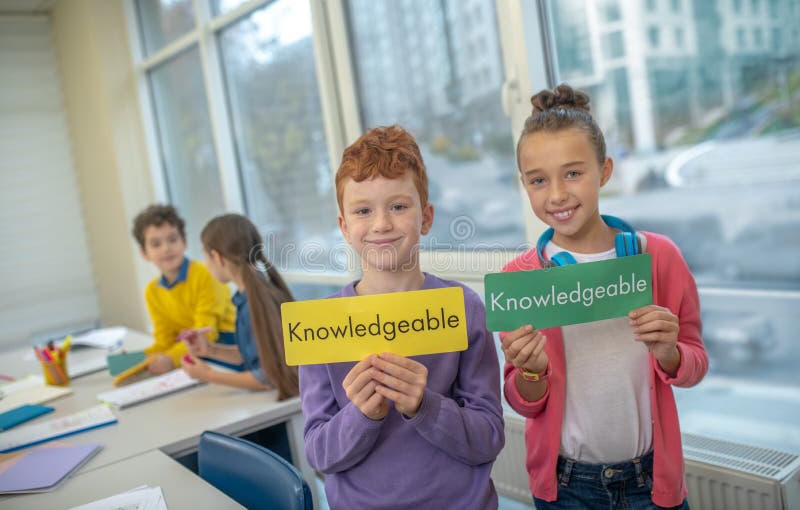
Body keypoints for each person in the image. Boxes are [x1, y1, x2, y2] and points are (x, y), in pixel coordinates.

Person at [500, 84, 708, 509]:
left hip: (651, 481)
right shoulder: (519, 279)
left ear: (605, 170)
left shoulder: (658, 258)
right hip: (567, 486)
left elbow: (694, 365)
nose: (556, 194)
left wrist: (670, 353)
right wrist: (531, 372)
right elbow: (521, 399)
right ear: (524, 185)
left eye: (573, 173)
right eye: (539, 180)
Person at [300, 125, 504, 509]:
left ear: (425, 218)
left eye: (398, 206)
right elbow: (318, 453)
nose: (381, 224)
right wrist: (361, 415)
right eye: (363, 210)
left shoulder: (463, 307)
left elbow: (490, 436)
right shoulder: (320, 326)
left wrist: (423, 406)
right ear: (344, 227)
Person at [180, 214, 298, 399]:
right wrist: (211, 350)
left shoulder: (256, 304)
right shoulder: (255, 294)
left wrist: (208, 376)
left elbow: (266, 377)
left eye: (205, 256)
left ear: (217, 257)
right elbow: (255, 355)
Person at [132, 204, 235, 375]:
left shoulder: (206, 275)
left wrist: (170, 359)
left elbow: (207, 334)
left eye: (172, 240)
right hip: (192, 350)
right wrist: (140, 358)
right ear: (144, 253)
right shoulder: (152, 291)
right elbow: (165, 341)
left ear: (184, 242)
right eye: (156, 244)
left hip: (225, 346)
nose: (166, 248)